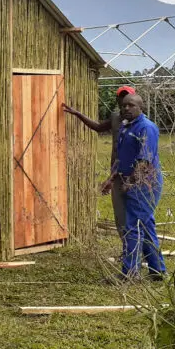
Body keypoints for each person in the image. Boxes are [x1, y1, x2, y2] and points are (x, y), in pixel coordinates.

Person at [62, 85, 136, 239]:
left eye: (128, 98)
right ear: (117, 100)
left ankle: (137, 247)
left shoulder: (140, 123)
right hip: (116, 171)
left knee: (134, 212)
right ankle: (128, 247)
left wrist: (112, 179)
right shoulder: (115, 118)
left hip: (134, 174)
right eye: (122, 98)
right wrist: (78, 114)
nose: (125, 102)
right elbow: (98, 127)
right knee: (120, 213)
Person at [115, 93, 165, 280]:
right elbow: (121, 157)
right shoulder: (126, 126)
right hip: (133, 181)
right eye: (124, 105)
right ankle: (157, 270)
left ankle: (130, 272)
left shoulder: (146, 128)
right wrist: (111, 179)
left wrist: (130, 183)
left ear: (140, 108)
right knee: (145, 225)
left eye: (131, 105)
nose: (126, 108)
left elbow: (144, 161)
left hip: (145, 184)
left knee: (133, 226)